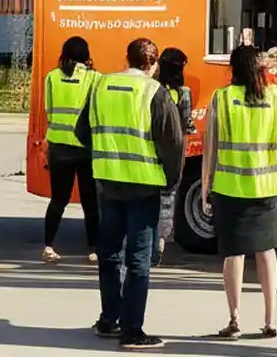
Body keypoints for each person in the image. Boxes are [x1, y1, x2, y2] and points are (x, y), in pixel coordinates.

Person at [73, 37, 184, 349]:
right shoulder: (155, 92)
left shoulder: (100, 87)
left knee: (108, 253)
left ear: (126, 59)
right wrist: (170, 181)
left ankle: (109, 319)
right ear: (153, 64)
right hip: (142, 186)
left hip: (107, 182)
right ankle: (132, 330)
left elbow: (82, 132)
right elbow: (172, 145)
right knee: (138, 260)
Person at [201, 44, 277, 341]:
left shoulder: (223, 98)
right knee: (267, 251)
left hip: (230, 186)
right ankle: (270, 320)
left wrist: (205, 186)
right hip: (269, 185)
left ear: (233, 68)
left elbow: (210, 148)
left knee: (233, 254)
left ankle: (235, 319)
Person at [42, 36, 101, 265]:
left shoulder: (52, 77)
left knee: (58, 199)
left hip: (58, 146)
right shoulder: (94, 78)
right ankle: (93, 249)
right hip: (86, 147)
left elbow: (49, 109)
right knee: (90, 201)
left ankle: (48, 245)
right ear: (86, 55)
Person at [154, 46, 196, 267]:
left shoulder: (153, 89)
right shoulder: (184, 93)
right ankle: (161, 241)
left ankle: (150, 238)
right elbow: (188, 125)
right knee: (169, 196)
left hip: (153, 147)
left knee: (151, 194)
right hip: (176, 150)